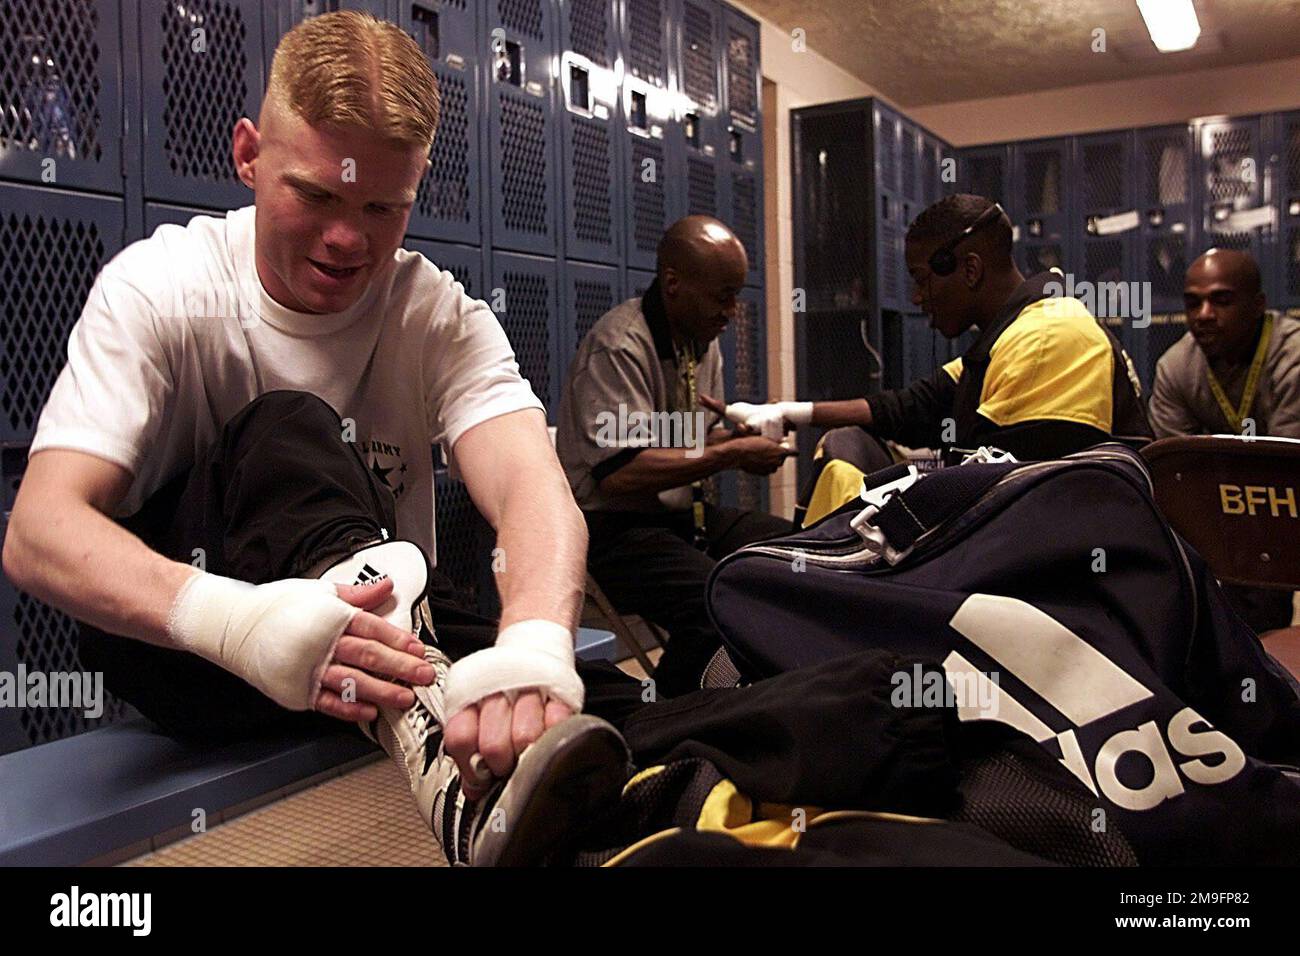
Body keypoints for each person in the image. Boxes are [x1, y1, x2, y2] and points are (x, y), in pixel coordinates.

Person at [1, 10, 645, 867]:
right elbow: (40, 531)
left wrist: (534, 640)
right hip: (205, 662)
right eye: (316, 195)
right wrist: (240, 622)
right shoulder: (160, 288)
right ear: (247, 157)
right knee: (289, 423)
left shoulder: (439, 314)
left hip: (382, 652)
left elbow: (533, 485)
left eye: (385, 207)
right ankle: (438, 769)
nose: (350, 240)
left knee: (603, 707)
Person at [706, 194, 1153, 525]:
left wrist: (890, 492)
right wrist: (784, 413)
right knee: (847, 449)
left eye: (922, 280)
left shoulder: (1046, 338)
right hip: (1036, 547)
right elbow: (909, 407)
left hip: (1074, 580)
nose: (918, 298)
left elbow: (1009, 506)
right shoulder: (1017, 333)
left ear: (971, 270)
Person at [555, 216, 795, 696]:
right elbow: (619, 473)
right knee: (713, 599)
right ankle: (662, 715)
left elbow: (685, 442)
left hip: (682, 516)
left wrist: (735, 438)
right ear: (673, 284)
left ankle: (752, 694)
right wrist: (728, 456)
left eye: (736, 295)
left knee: (793, 554)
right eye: (721, 296)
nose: (731, 311)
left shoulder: (701, 342)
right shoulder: (620, 346)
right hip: (612, 530)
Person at [1149, 248, 1300, 632]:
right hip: (1230, 508)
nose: (1203, 315)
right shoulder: (1175, 367)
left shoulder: (1291, 357)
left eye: (1222, 300)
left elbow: (1285, 476)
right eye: (1193, 302)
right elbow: (1176, 479)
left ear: (1258, 305)